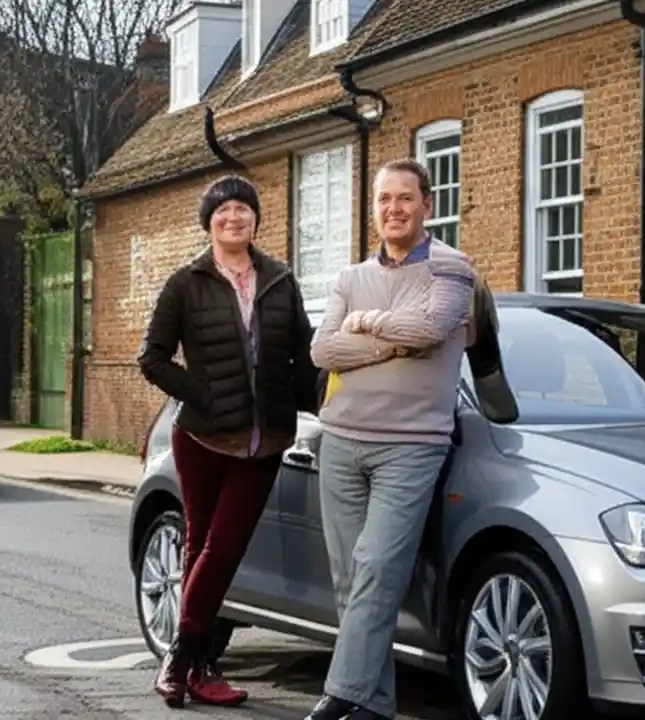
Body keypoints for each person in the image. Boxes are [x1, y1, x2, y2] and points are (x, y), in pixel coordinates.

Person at [304, 159, 490, 720]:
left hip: (410, 445)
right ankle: (374, 704)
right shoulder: (349, 278)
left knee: (380, 567)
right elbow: (323, 352)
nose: (394, 208)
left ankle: (341, 696)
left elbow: (432, 330)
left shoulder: (452, 270)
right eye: (385, 199)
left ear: (427, 205)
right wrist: (395, 337)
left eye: (405, 198)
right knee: (353, 579)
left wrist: (364, 324)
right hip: (339, 439)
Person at [138, 174, 318, 709]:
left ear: (256, 220)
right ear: (209, 222)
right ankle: (194, 661)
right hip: (202, 436)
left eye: (243, 209)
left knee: (224, 545)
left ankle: (185, 657)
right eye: (223, 211)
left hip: (263, 441)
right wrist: (203, 395)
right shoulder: (185, 282)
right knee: (204, 545)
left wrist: (323, 401)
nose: (234, 217)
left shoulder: (281, 280)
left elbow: (304, 354)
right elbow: (152, 357)